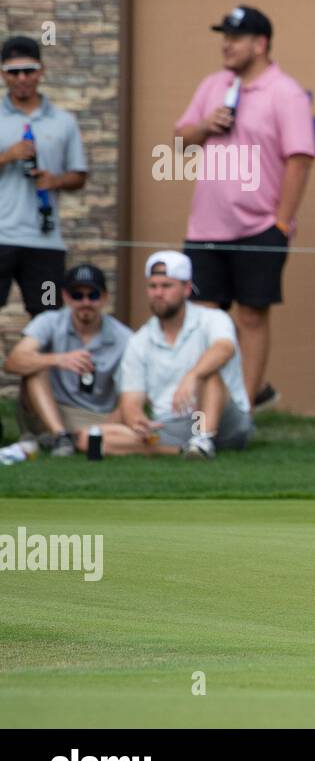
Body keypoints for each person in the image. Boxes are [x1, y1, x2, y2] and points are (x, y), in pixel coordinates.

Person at [176, 5, 315, 412]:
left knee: (252, 317)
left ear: (261, 44)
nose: (226, 45)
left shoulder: (284, 92)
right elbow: (181, 138)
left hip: (259, 227)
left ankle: (244, 406)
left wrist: (281, 222)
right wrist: (205, 126)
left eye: (235, 38)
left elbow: (300, 159)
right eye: (224, 37)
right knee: (203, 319)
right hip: (205, 227)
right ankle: (201, 405)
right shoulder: (212, 85)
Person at [96, 251, 253, 459]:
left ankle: (202, 439)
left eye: (166, 286)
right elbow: (131, 399)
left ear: (186, 289)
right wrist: (137, 420)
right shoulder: (139, 340)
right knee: (93, 436)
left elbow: (224, 349)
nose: (158, 293)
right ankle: (183, 450)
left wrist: (192, 376)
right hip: (172, 424)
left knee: (209, 374)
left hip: (225, 420)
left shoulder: (214, 319)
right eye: (153, 286)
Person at [2, 264, 131, 457]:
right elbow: (12, 363)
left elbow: (133, 391)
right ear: (65, 297)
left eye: (93, 295)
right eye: (77, 295)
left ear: (104, 298)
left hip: (96, 416)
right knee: (36, 367)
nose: (85, 302)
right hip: (49, 411)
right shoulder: (49, 321)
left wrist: (102, 430)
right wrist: (57, 359)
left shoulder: (124, 337)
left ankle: (76, 439)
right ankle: (60, 437)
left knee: (132, 396)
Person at [1, 36, 88, 317]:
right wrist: (7, 156)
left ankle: (47, 363)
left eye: (28, 70)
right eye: (14, 72)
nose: (22, 78)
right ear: (3, 74)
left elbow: (79, 176)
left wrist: (56, 180)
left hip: (45, 240)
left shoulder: (63, 121)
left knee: (49, 316)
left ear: (41, 71)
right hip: (0, 236)